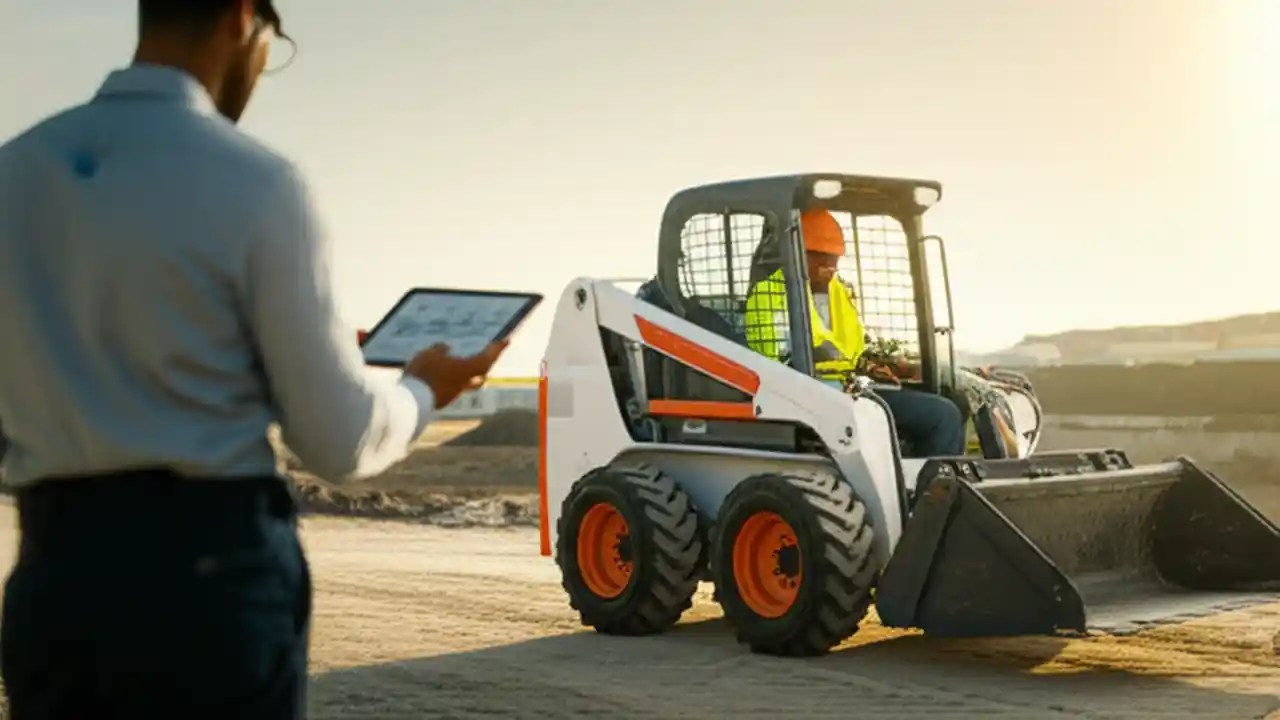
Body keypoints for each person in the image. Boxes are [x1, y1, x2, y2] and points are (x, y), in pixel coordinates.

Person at [0, 1, 506, 716]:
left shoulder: (15, 171)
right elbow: (339, 440)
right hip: (208, 588)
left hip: (55, 583)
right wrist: (422, 388)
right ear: (245, 20)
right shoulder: (257, 181)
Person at [744, 207, 966, 457]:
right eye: (821, 257)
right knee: (941, 415)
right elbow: (775, 359)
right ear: (796, 253)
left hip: (848, 388)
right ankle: (934, 488)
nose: (830, 266)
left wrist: (872, 366)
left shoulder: (838, 292)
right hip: (810, 395)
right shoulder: (768, 293)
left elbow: (850, 347)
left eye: (834, 258)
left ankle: (923, 479)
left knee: (955, 399)